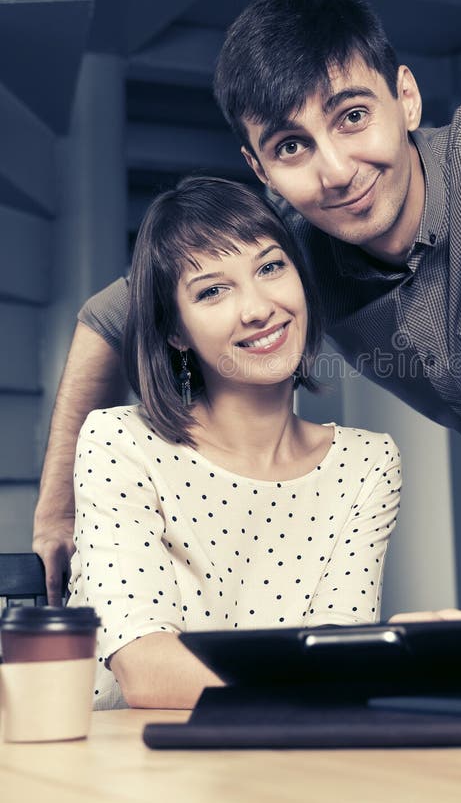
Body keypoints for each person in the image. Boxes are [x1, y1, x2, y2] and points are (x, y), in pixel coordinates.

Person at [37, 0, 461, 696]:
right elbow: (111, 317)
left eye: (352, 116)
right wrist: (59, 511)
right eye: (292, 146)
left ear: (404, 98)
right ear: (260, 170)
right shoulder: (285, 253)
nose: (336, 172)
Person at [66, 176, 401, 709]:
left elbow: (337, 653)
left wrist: (394, 657)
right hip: (126, 755)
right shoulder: (119, 443)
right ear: (176, 331)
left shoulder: (367, 464)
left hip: (278, 753)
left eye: (270, 268)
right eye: (212, 291)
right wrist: (373, 667)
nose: (257, 308)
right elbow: (147, 672)